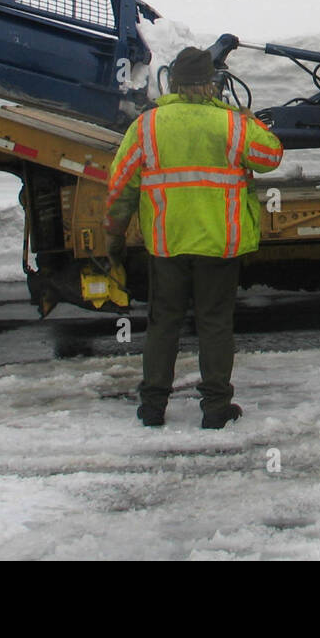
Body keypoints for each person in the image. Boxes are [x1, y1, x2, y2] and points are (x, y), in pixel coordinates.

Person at [105, 46, 284, 429]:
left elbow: (121, 186)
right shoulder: (232, 125)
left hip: (166, 243)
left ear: (173, 82)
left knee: (163, 322)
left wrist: (114, 236)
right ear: (211, 84)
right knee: (215, 323)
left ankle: (153, 406)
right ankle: (216, 408)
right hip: (220, 243)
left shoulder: (148, 126)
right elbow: (270, 158)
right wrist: (252, 120)